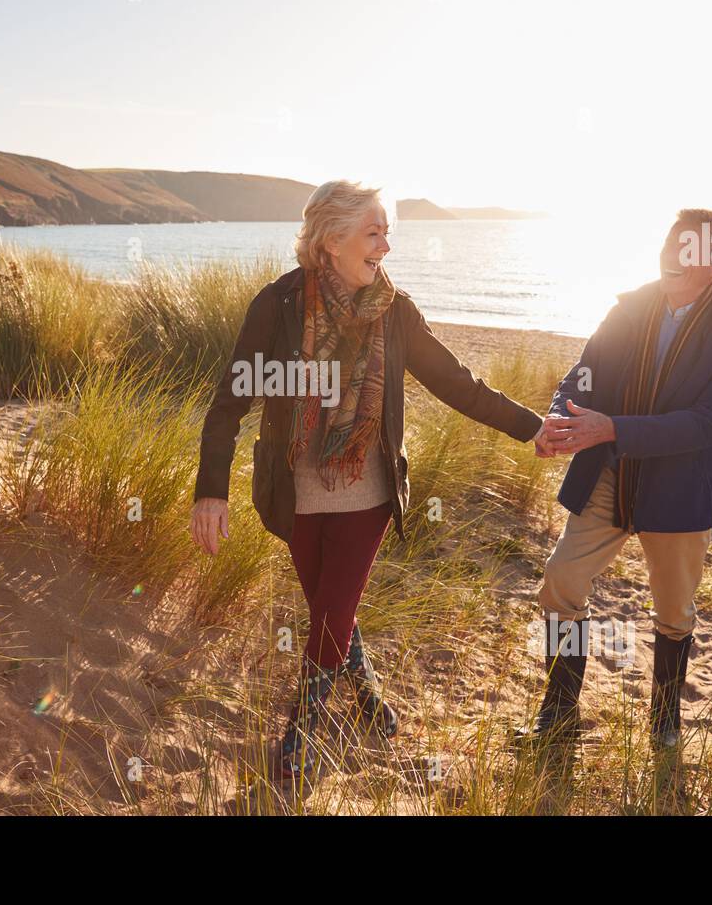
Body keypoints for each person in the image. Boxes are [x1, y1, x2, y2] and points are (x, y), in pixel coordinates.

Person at [192, 180, 544, 778]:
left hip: (368, 490)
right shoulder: (275, 306)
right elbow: (231, 401)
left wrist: (531, 427)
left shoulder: (395, 311)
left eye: (388, 233)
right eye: (373, 232)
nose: (385, 246)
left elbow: (457, 384)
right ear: (331, 240)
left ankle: (302, 729)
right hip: (293, 491)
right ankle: (368, 691)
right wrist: (211, 489)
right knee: (332, 608)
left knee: (331, 610)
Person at [521, 208, 712, 753]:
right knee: (561, 582)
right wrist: (559, 419)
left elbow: (711, 421)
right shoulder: (629, 306)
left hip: (680, 490)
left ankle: (663, 720)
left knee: (675, 611)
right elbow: (583, 374)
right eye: (670, 242)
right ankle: (558, 714)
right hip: (608, 475)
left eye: (691, 249)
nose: (672, 255)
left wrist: (612, 427)